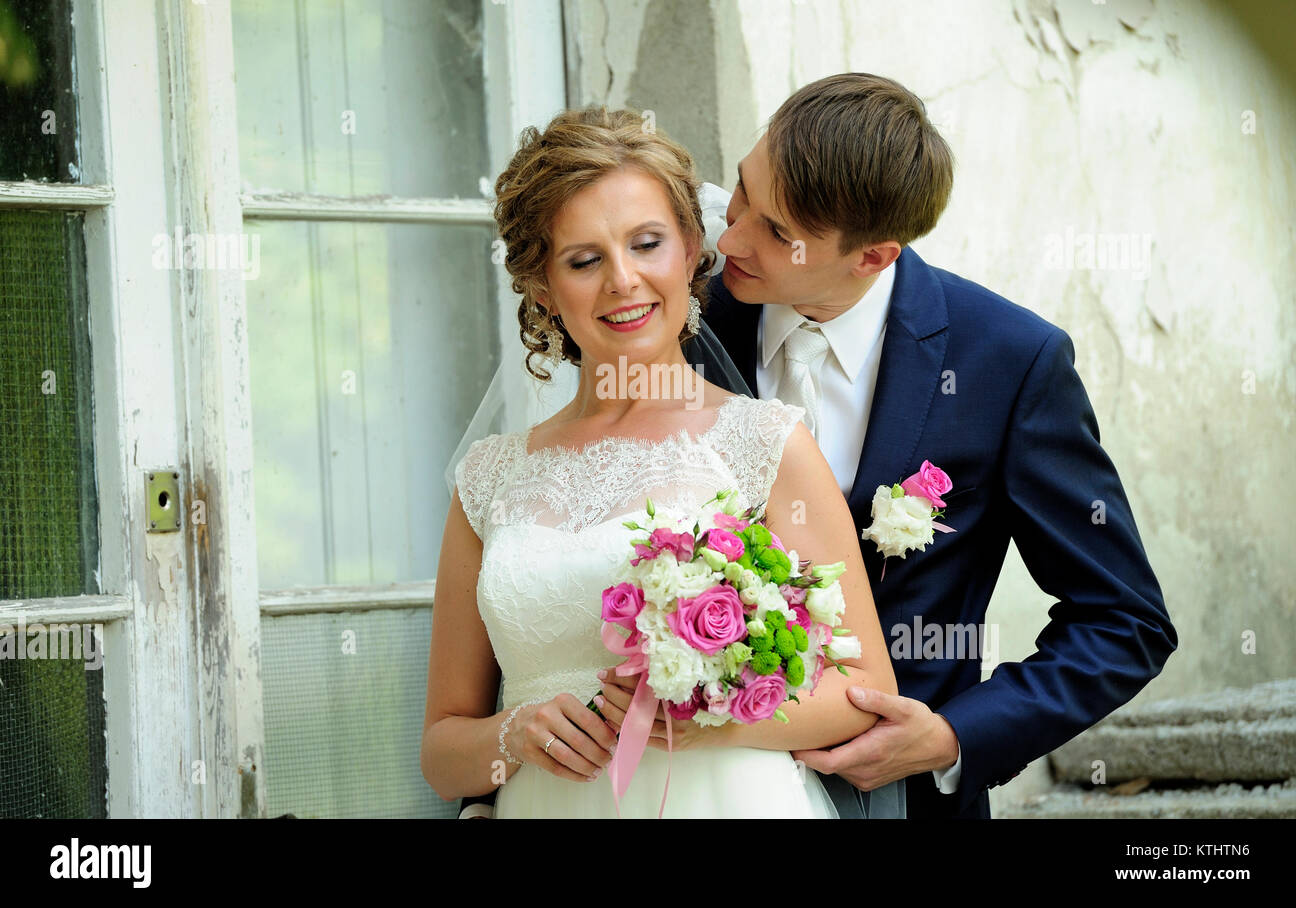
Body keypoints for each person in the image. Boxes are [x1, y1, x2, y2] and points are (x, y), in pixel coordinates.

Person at [683, 72, 1178, 818]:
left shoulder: (1008, 362)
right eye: (745, 191)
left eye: (778, 232)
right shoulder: (679, 319)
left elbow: (1125, 620)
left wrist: (953, 736)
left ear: (873, 256)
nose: (731, 238)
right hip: (693, 785)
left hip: (905, 804)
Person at [420, 106, 898, 818]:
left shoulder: (763, 443)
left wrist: (710, 718)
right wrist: (510, 735)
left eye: (647, 244)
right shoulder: (489, 478)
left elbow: (864, 693)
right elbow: (442, 751)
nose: (623, 280)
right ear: (541, 288)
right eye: (584, 260)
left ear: (690, 250)